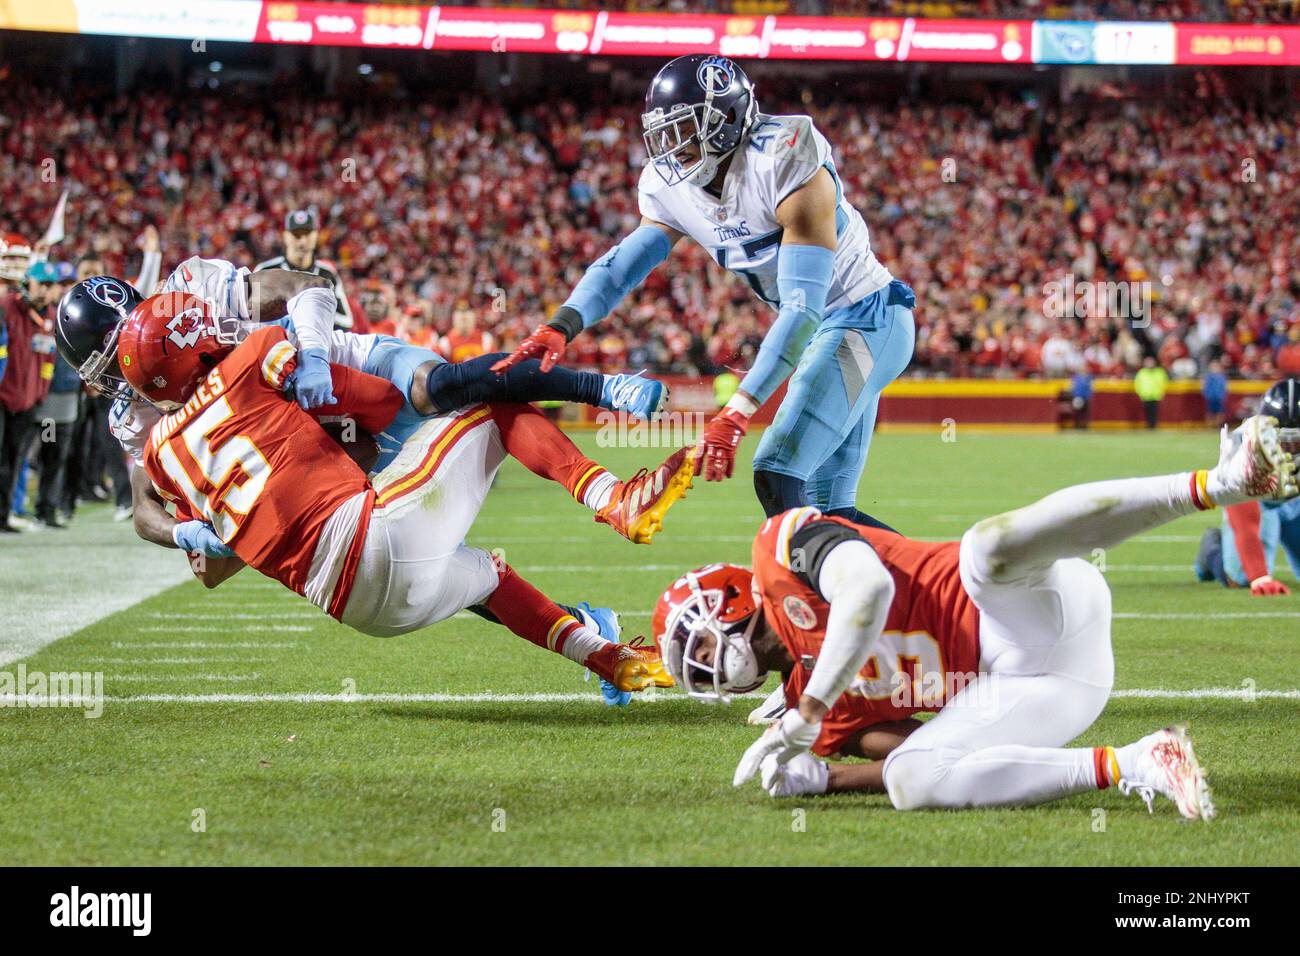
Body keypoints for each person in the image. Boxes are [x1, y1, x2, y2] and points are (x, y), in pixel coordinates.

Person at [652, 416, 1298, 818]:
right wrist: (824, 778)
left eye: (695, 642)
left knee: (983, 549)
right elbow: (933, 753)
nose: (701, 663)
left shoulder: (780, 548)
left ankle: (1224, 480)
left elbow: (868, 588)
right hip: (1054, 688)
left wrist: (811, 710)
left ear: (728, 598)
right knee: (911, 782)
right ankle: (1141, 761)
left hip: (1031, 605)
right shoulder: (808, 709)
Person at [115, 292, 678, 698]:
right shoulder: (254, 351)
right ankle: (612, 496)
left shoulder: (162, 456)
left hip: (361, 611)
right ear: (194, 337)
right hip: (375, 534)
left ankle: (607, 658)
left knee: (491, 576)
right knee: (482, 402)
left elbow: (209, 563)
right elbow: (382, 402)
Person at [493, 54, 915, 528]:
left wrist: (737, 411)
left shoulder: (785, 158)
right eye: (664, 132)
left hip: (865, 318)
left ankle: (826, 597)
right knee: (833, 514)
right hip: (835, 330)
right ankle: (939, 591)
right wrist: (561, 324)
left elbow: (802, 309)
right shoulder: (670, 185)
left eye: (685, 129)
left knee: (777, 474)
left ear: (728, 118)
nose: (673, 146)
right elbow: (623, 265)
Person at [1195, 379, 1300, 596]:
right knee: (1242, 578)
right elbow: (1242, 514)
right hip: (1258, 503)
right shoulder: (1244, 444)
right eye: (1284, 440)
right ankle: (1211, 551)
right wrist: (1259, 576)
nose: (1290, 447)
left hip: (1295, 502)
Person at [0, 235, 55, 533]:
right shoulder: (7, 306)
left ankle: (4, 512)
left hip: (28, 402)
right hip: (4, 396)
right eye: (40, 285)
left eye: (49, 286)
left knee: (15, 460)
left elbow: (48, 363)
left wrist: (39, 396)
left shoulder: (47, 319)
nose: (45, 291)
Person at [254, 209, 355, 331]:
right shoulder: (264, 270)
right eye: (296, 235)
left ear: (316, 235)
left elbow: (347, 321)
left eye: (307, 234)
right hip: (274, 344)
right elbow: (252, 317)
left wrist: (315, 313)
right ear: (285, 236)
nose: (302, 241)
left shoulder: (327, 274)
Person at [1134, 355, 1169, 430]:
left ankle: (1154, 425)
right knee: (1147, 412)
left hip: (1156, 395)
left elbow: (1164, 383)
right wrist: (1140, 393)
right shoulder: (1142, 372)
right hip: (1145, 396)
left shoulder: (1159, 372)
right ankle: (1149, 425)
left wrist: (1161, 392)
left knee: (1155, 412)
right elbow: (1137, 384)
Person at [1202, 359, 1228, 428]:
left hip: (1219, 398)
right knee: (1210, 412)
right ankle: (1210, 426)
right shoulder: (1209, 377)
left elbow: (1224, 388)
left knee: (1220, 412)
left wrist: (1223, 396)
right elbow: (1205, 387)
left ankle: (1218, 425)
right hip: (1211, 398)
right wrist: (1207, 395)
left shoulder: (1221, 377)